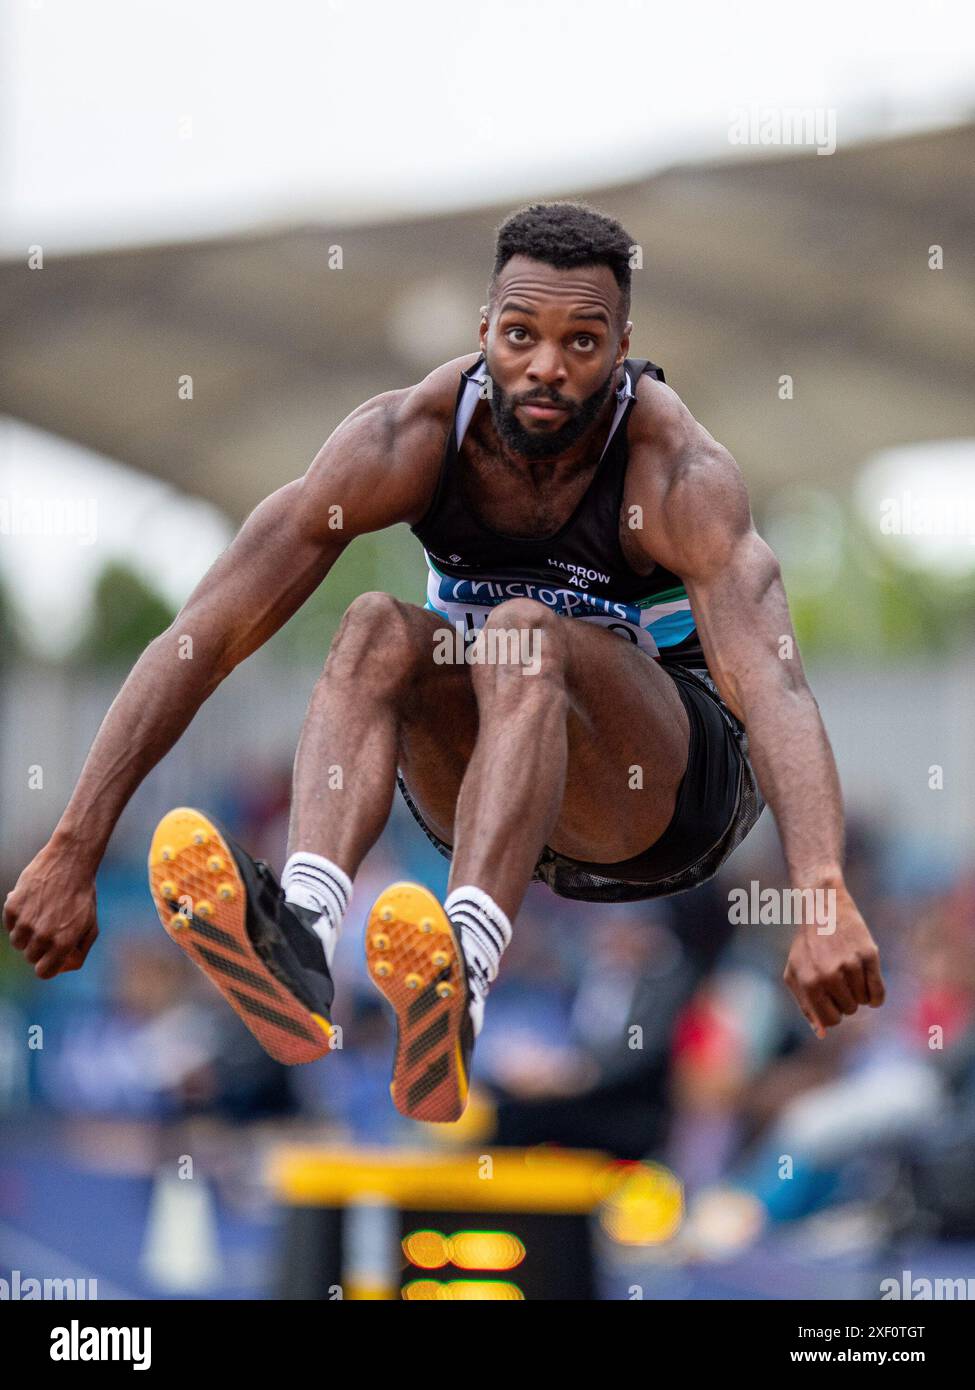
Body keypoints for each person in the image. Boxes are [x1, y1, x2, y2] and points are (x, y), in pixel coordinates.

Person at [2, 201, 885, 1124]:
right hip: (497, 792)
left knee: (523, 632)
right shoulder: (406, 439)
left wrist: (819, 889)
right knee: (376, 627)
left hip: (666, 796)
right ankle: (304, 938)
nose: (546, 367)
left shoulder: (674, 472)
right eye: (519, 336)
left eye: (581, 344)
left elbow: (771, 683)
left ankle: (462, 971)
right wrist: (73, 844)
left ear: (621, 351)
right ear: (484, 337)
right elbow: (207, 632)